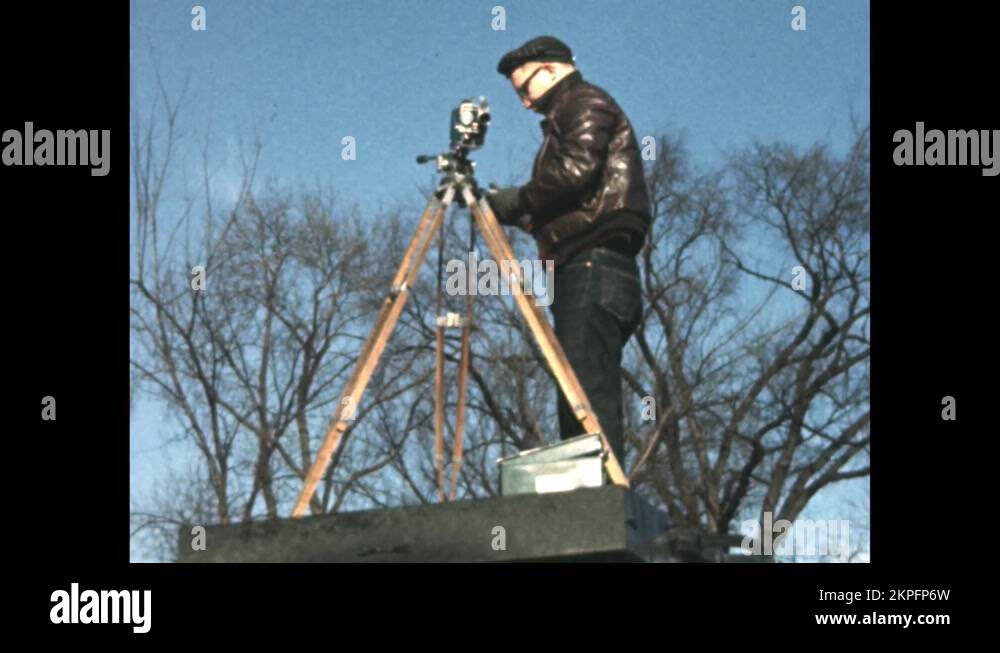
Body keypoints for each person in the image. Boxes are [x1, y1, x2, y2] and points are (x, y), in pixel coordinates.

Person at [486, 35, 652, 467]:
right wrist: (518, 211)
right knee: (582, 385)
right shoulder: (569, 110)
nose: (523, 102)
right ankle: (593, 493)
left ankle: (595, 500)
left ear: (553, 69)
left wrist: (517, 201)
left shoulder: (583, 101)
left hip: (593, 263)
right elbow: (569, 194)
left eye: (525, 88)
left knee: (584, 390)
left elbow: (573, 172)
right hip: (593, 265)